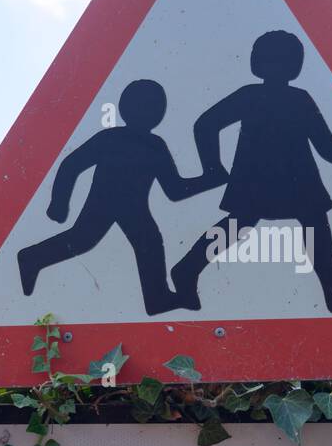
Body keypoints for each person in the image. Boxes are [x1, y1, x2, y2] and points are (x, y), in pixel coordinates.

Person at [170, 30, 332, 313]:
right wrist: (212, 167)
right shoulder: (251, 95)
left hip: (295, 177)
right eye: (273, 60)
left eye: (284, 61)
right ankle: (187, 269)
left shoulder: (300, 99)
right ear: (258, 63)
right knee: (246, 222)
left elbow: (326, 146)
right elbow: (205, 125)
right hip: (259, 177)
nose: (279, 67)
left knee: (309, 223)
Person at [16, 79, 212, 315]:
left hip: (134, 207)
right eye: (143, 106)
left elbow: (175, 189)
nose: (149, 112)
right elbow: (72, 164)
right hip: (103, 202)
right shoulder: (110, 138)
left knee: (148, 243)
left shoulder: (155, 145)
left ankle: (157, 298)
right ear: (125, 108)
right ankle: (30, 257)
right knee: (83, 240)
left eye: (154, 106)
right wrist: (58, 203)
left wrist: (210, 179)